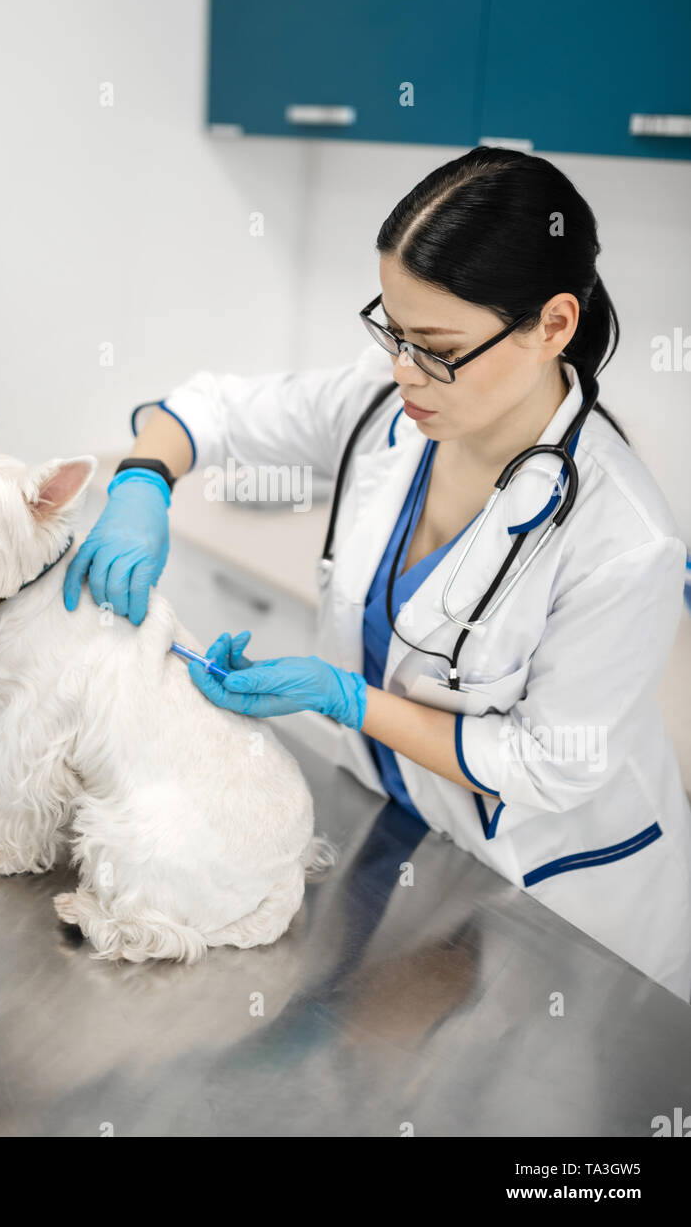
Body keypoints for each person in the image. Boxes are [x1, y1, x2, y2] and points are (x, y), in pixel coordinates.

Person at [64, 147, 691, 1001]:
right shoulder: (384, 404)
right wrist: (142, 482)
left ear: (553, 325)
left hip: (551, 905)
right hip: (396, 830)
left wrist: (346, 697)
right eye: (392, 330)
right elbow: (208, 413)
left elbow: (553, 764)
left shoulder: (623, 538)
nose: (403, 371)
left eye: (436, 347)